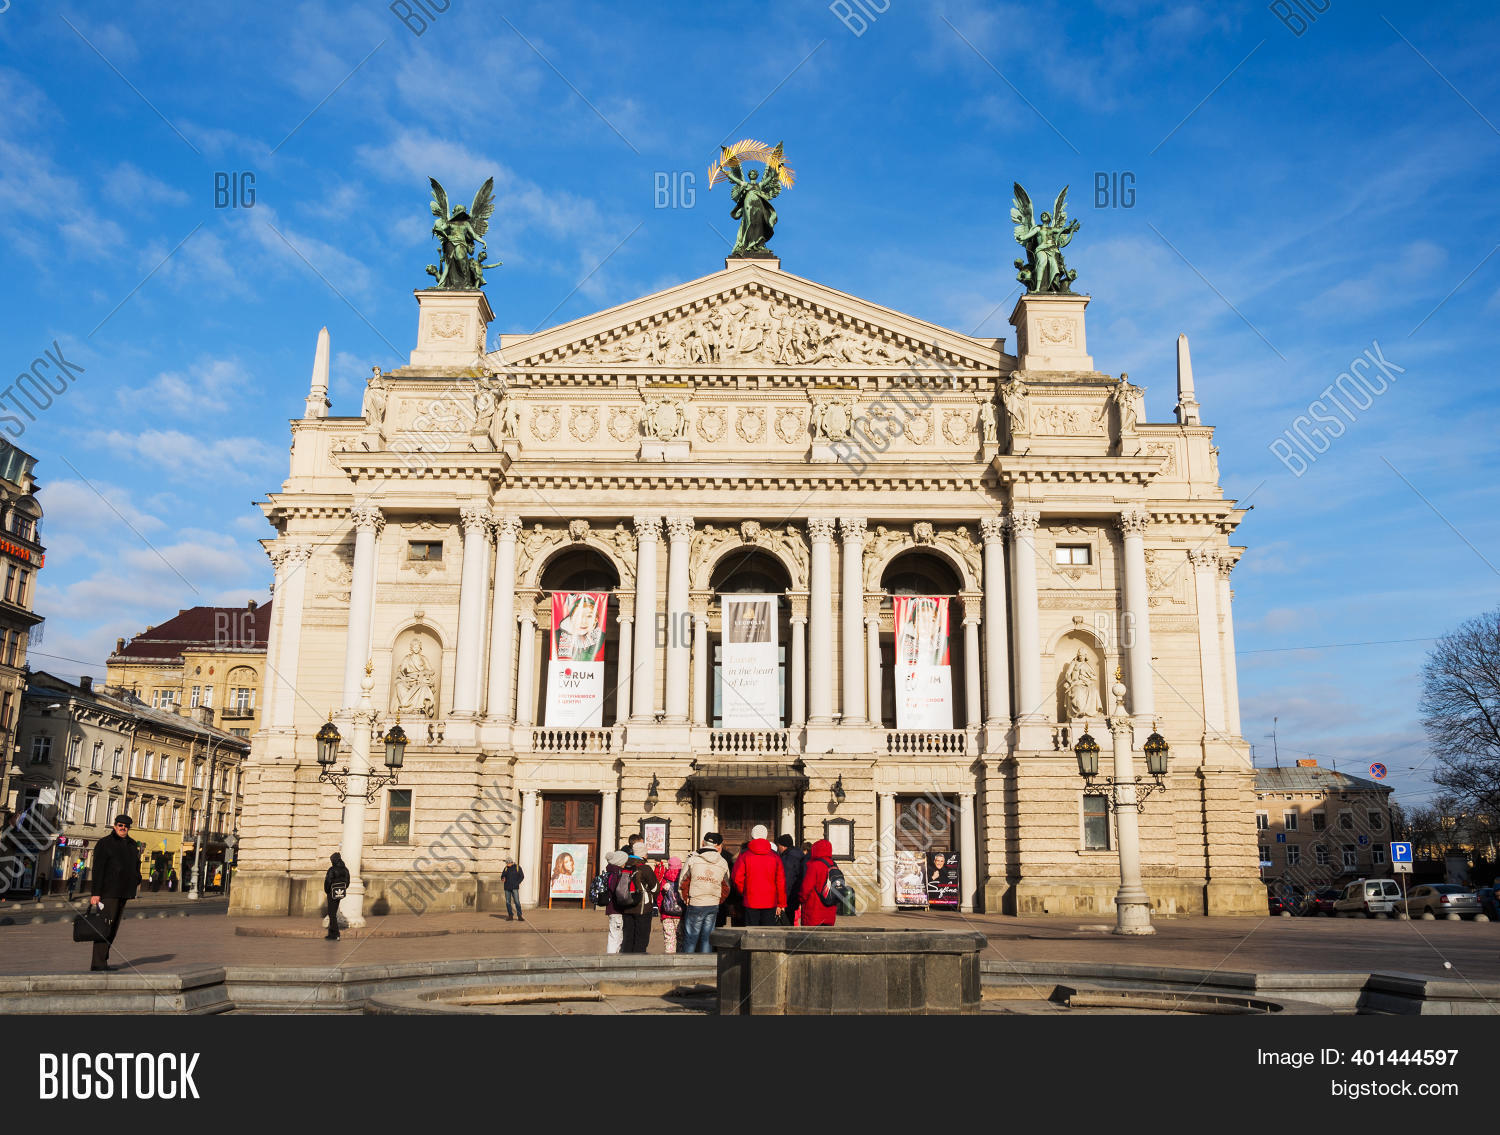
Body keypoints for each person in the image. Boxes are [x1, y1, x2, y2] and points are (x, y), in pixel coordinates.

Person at [87, 815, 142, 971]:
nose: (123, 828)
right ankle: (98, 963)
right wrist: (96, 893)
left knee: (113, 929)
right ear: (114, 826)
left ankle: (102, 961)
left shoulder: (132, 844)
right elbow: (98, 869)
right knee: (104, 927)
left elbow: (136, 865)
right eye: (120, 825)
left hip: (124, 891)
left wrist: (137, 878)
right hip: (108, 892)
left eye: (126, 826)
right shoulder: (105, 843)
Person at [679, 833, 730, 954]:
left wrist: (686, 898)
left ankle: (687, 963)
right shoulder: (722, 861)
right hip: (712, 903)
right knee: (707, 939)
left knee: (691, 938)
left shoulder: (693, 858)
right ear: (717, 845)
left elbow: (683, 882)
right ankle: (705, 964)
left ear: (703, 843)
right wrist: (718, 899)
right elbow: (726, 886)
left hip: (696, 901)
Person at [731, 824, 786, 926]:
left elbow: (737, 878)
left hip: (751, 899)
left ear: (752, 837)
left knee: (751, 931)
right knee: (767, 931)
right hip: (770, 900)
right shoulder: (775, 856)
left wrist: (745, 891)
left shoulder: (744, 855)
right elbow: (780, 882)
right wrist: (781, 903)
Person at [618, 848, 658, 954]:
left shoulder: (624, 866)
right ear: (643, 855)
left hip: (626, 906)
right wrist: (652, 899)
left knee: (628, 938)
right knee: (641, 938)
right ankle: (639, 961)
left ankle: (626, 961)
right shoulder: (645, 868)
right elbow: (655, 888)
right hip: (642, 908)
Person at [799, 838, 838, 927]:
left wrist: (801, 899)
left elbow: (806, 888)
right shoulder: (834, 865)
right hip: (830, 909)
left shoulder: (814, 865)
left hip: (814, 910)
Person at [602, 849, 629, 954]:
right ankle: (611, 959)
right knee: (615, 937)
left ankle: (614, 957)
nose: (625, 864)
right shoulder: (616, 874)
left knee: (616, 936)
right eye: (624, 862)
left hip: (612, 909)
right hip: (616, 910)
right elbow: (618, 893)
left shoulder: (610, 872)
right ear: (620, 862)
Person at [656, 856, 685, 953]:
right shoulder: (683, 878)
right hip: (681, 914)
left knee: (669, 938)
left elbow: (660, 898)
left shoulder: (665, 879)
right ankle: (681, 958)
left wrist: (661, 912)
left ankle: (669, 958)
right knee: (681, 938)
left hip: (667, 914)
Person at [776, 834, 806, 926]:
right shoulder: (798, 854)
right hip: (796, 892)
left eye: (778, 845)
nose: (778, 848)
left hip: (789, 895)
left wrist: (782, 902)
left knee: (786, 921)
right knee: (791, 919)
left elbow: (787, 880)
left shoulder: (788, 858)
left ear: (783, 846)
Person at [324, 852, 350, 941]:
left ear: (334, 860)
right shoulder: (345, 869)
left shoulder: (332, 869)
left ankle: (335, 934)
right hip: (339, 893)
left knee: (331, 914)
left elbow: (328, 881)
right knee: (333, 913)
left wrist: (327, 891)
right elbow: (347, 882)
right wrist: (342, 889)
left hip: (331, 893)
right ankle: (331, 934)